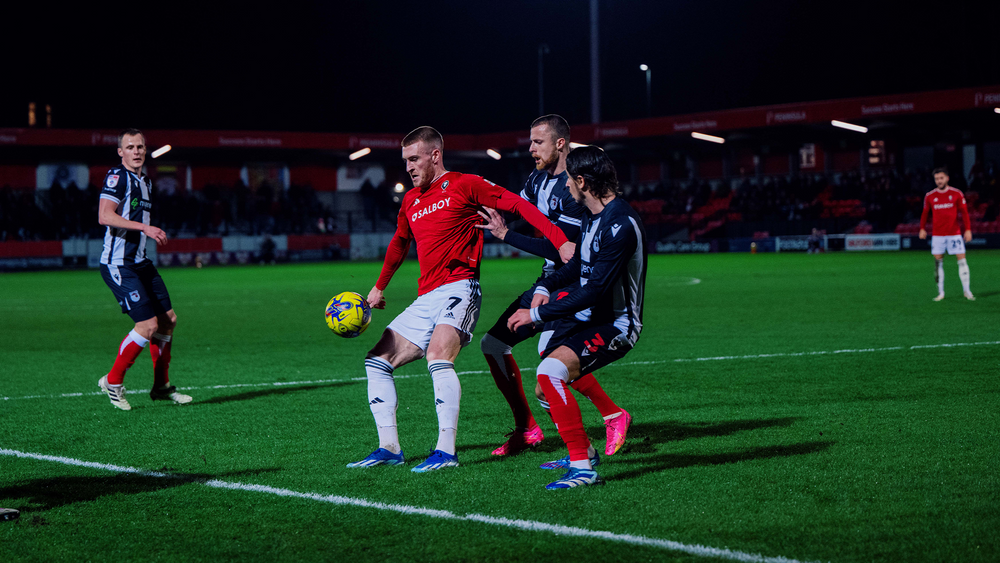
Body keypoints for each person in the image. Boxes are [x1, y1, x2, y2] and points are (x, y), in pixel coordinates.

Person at [347, 126, 573, 472]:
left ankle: (446, 452)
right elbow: (398, 243)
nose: (408, 167)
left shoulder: (466, 184)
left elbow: (519, 205)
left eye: (414, 159)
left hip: (460, 288)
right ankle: (389, 448)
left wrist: (560, 241)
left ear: (435, 155)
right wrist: (379, 287)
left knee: (438, 356)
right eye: (405, 160)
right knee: (377, 361)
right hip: (427, 296)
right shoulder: (410, 200)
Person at [476, 115, 631, 459]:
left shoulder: (577, 189)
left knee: (551, 369)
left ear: (560, 143)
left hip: (571, 284)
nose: (530, 149)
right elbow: (519, 209)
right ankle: (528, 429)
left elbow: (562, 249)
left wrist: (506, 236)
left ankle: (603, 423)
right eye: (530, 142)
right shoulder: (536, 179)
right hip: (548, 281)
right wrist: (479, 207)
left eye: (537, 142)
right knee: (493, 343)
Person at [508, 145, 647, 489]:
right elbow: (575, 268)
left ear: (582, 181)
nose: (566, 186)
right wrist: (545, 285)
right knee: (545, 384)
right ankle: (583, 450)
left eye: (569, 180)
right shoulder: (591, 215)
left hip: (617, 324)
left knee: (550, 372)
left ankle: (583, 468)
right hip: (591, 318)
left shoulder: (620, 225)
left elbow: (594, 290)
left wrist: (536, 313)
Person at [96, 129, 192, 411]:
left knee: (168, 321)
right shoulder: (117, 178)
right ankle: (113, 383)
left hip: (140, 262)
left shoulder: (145, 181)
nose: (136, 151)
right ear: (120, 152)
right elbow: (104, 215)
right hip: (118, 264)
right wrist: (145, 228)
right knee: (147, 326)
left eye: (140, 147)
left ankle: (161, 387)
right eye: (130, 147)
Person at [918, 168, 974, 301]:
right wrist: (922, 228)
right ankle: (941, 293)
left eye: (941, 178)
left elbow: (965, 213)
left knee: (962, 261)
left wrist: (968, 229)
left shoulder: (956, 193)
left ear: (947, 178)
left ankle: (967, 291)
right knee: (938, 263)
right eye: (937, 179)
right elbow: (925, 213)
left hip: (954, 234)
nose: (939, 181)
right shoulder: (930, 196)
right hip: (937, 235)